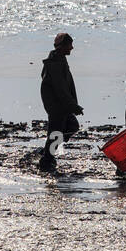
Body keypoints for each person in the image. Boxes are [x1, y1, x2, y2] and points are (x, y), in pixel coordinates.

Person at [39, 32, 83, 172]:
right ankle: (47, 159)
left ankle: (48, 153)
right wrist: (73, 106)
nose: (72, 48)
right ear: (62, 46)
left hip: (62, 106)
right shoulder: (55, 64)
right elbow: (61, 90)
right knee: (56, 133)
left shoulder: (59, 59)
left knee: (70, 127)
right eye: (70, 45)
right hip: (57, 107)